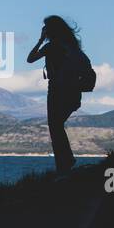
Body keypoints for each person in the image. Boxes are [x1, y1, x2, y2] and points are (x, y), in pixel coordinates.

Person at [26, 15, 83, 175]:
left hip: (57, 90)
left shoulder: (51, 46)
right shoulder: (71, 46)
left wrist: (40, 40)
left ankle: (64, 164)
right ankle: (66, 161)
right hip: (73, 90)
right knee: (57, 126)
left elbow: (30, 59)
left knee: (55, 127)